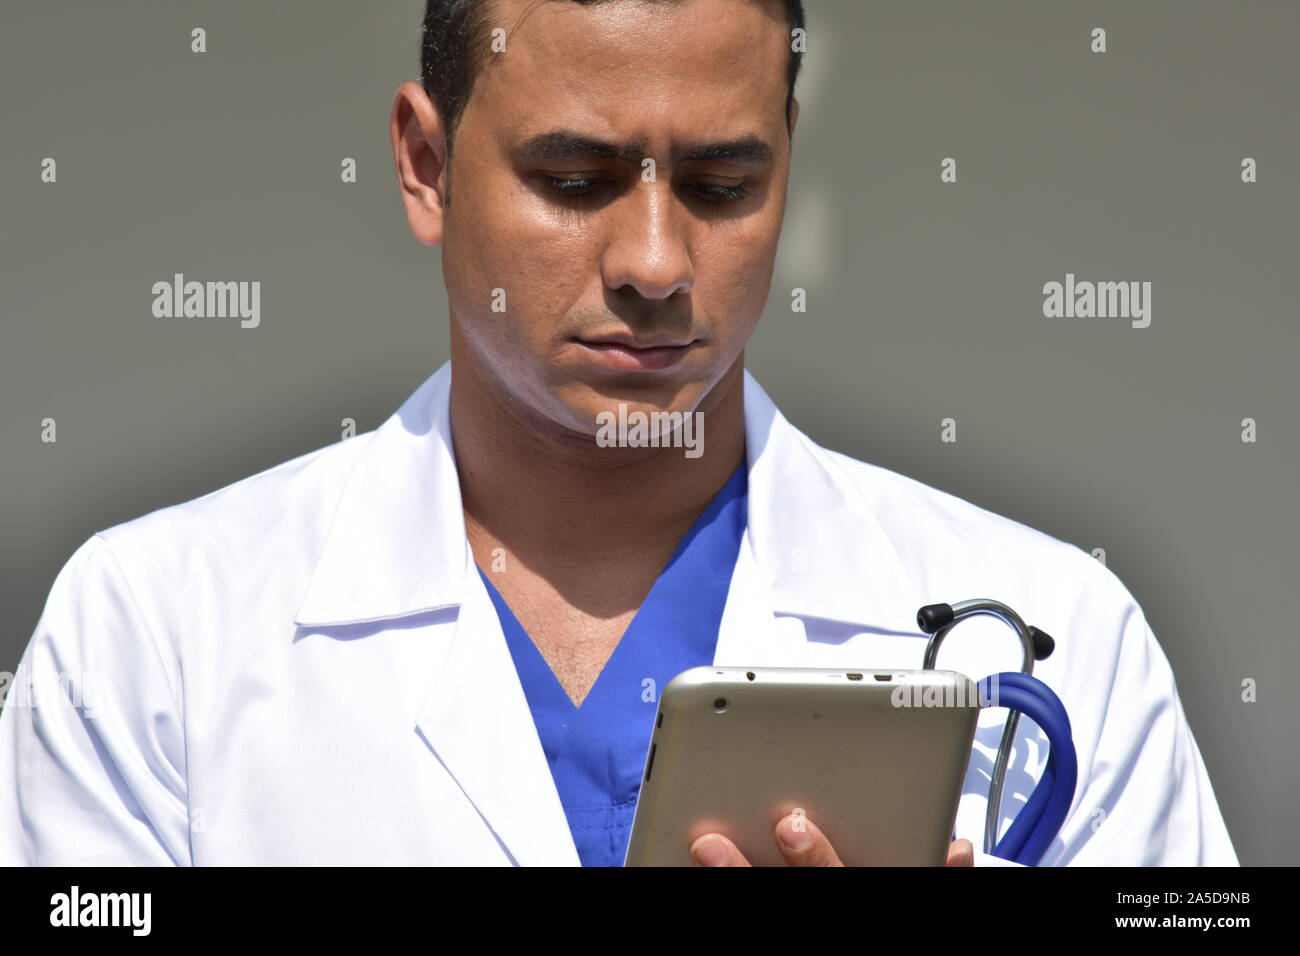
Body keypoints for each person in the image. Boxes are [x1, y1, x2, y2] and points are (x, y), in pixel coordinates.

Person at [0, 0, 1237, 867]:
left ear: (789, 166)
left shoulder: (1064, 632)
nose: (654, 262)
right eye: (575, 177)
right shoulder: (149, 636)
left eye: (720, 185)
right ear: (425, 165)